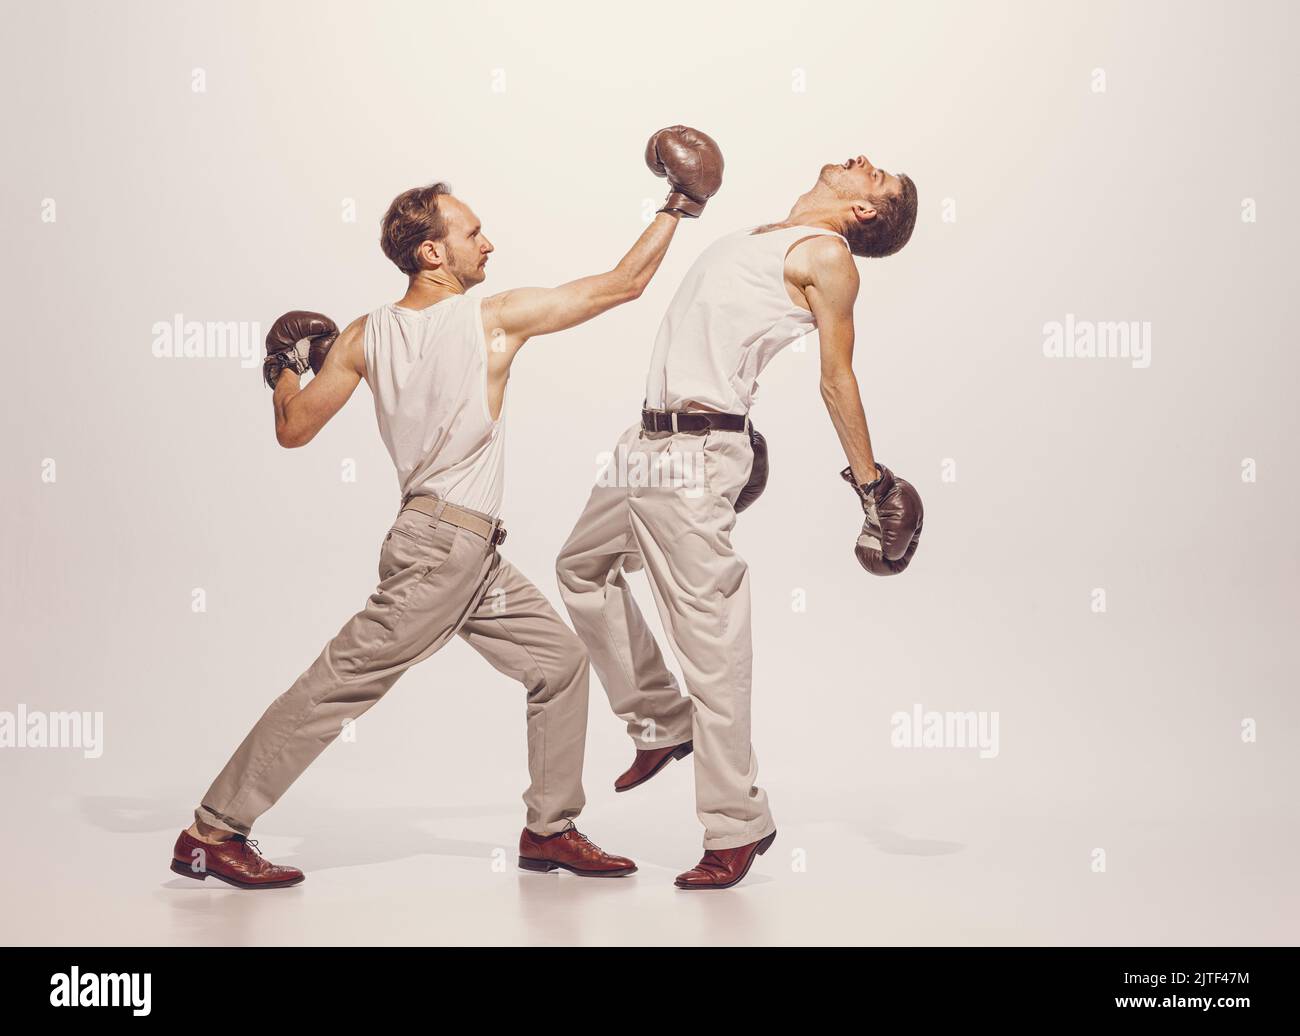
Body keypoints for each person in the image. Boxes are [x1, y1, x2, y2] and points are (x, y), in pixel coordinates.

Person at [170, 126, 724, 889]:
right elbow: (622, 284)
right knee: (335, 687)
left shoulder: (363, 335)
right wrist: (680, 205)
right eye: (471, 232)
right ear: (432, 252)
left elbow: (293, 428)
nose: (488, 243)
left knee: (560, 665)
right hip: (441, 551)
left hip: (464, 551)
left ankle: (549, 828)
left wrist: (281, 372)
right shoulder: (490, 320)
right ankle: (214, 831)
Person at [556, 153, 921, 890]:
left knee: (710, 643)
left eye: (876, 176)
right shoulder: (764, 234)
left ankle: (738, 825)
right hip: (643, 445)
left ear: (862, 214)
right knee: (580, 570)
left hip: (695, 452)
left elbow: (835, 375)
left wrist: (871, 484)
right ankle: (662, 720)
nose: (862, 160)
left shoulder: (828, 256)